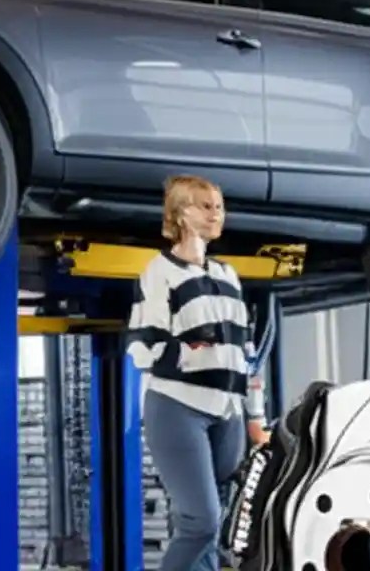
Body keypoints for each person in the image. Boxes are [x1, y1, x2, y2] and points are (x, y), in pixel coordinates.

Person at [127, 174, 271, 571]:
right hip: (178, 407)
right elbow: (143, 347)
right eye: (205, 206)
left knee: (217, 522)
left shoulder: (228, 276)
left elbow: (246, 352)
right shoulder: (160, 273)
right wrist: (197, 346)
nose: (216, 214)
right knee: (201, 521)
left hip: (227, 411)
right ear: (181, 214)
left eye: (219, 206)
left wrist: (255, 417)